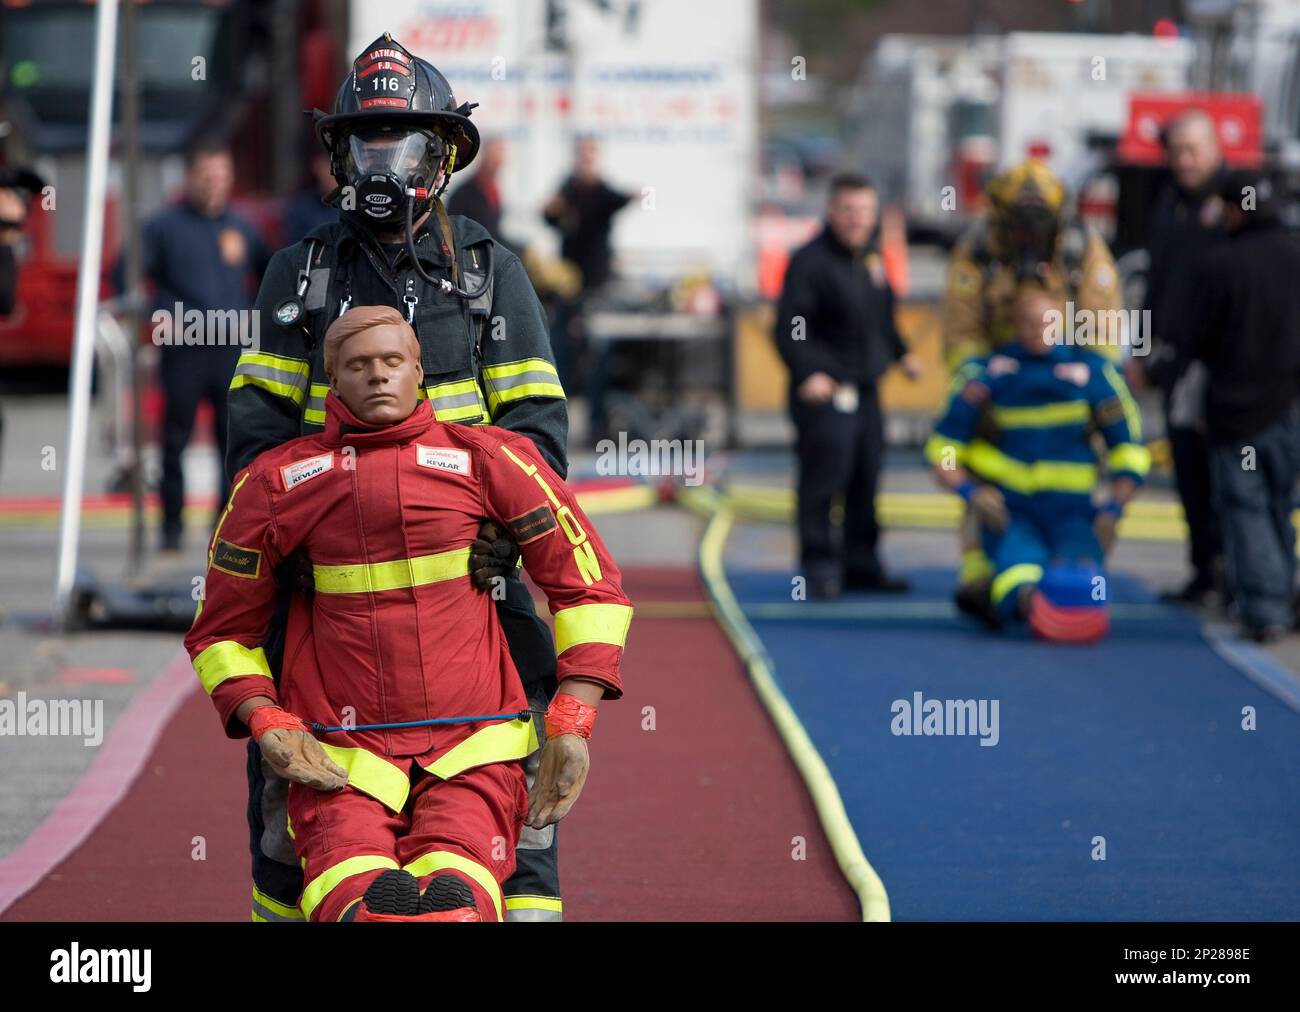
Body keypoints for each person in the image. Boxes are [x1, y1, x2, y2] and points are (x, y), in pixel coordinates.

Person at [227, 33, 570, 923]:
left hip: (473, 595)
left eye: (407, 143)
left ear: (444, 154)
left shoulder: (489, 275)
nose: (387, 163)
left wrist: (506, 539)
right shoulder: (297, 276)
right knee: (289, 804)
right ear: (341, 154)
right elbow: (255, 441)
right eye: (369, 143)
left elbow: (537, 431)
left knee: (513, 799)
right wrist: (279, 548)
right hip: (325, 597)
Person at [186, 306, 630, 921]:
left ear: (419, 370)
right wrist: (264, 720)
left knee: (460, 891)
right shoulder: (274, 484)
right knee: (351, 893)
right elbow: (221, 631)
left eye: (392, 362)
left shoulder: (494, 460)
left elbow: (590, 588)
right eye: (358, 366)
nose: (377, 377)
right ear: (331, 383)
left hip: (473, 746)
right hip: (336, 755)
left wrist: (574, 717)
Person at [941, 157, 1124, 613]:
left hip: (1064, 385)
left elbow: (1102, 329)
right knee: (986, 482)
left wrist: (1088, 387)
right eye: (1018, 224)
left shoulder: (1083, 251)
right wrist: (979, 382)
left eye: (1037, 223)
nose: (1027, 234)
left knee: (1076, 489)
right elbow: (961, 328)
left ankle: (1074, 584)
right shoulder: (978, 251)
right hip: (1000, 386)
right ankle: (982, 578)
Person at [927, 283, 1149, 641]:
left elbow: (1130, 451)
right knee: (1017, 581)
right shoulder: (988, 373)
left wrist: (1114, 509)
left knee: (1080, 586)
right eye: (1030, 324)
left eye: (1047, 322)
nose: (1039, 332)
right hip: (1012, 514)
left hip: (1074, 514)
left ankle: (1062, 605)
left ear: (1061, 319)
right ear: (1015, 324)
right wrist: (970, 491)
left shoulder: (1092, 372)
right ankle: (1026, 604)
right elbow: (945, 447)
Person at [773, 172, 921, 599]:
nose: (858, 220)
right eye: (849, 211)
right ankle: (818, 566)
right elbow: (790, 327)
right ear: (832, 212)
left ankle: (861, 563)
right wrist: (808, 372)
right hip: (825, 392)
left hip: (867, 390)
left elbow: (882, 319)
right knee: (824, 480)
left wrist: (902, 354)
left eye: (866, 212)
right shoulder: (809, 262)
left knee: (866, 477)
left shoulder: (871, 259)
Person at [122, 136, 272, 552]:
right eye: (206, 174)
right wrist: (156, 312)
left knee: (234, 442)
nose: (214, 182)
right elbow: (126, 273)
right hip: (184, 348)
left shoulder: (242, 226)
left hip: (231, 351)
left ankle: (225, 528)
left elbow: (272, 274)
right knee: (175, 440)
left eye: (221, 175)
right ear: (190, 177)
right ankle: (171, 528)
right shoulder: (163, 227)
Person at [1188, 170, 1300, 643]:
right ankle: (1282, 592)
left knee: (1246, 506)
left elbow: (1199, 336)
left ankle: (1267, 606)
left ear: (1236, 210)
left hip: (1238, 411)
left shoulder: (1222, 265)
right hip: (1290, 407)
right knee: (1278, 504)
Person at [1128, 110, 1229, 606]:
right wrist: (1142, 350)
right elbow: (1155, 285)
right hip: (1174, 360)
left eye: (1193, 150)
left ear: (1214, 149)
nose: (1185, 161)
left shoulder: (1235, 202)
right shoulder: (1169, 202)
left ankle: (1233, 570)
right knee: (1187, 469)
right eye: (1177, 152)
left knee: (1228, 473)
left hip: (1219, 364)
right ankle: (1202, 569)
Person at [543, 136, 634, 430]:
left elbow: (622, 200)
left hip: (598, 286)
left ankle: (596, 422)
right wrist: (552, 212)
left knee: (599, 354)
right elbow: (549, 216)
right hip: (569, 288)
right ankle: (558, 420)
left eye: (590, 155)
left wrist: (641, 194)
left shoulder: (602, 191)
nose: (586, 160)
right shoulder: (567, 188)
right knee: (562, 354)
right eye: (583, 154)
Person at [449, 136, 508, 247]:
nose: (496, 168)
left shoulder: (492, 190)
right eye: (493, 162)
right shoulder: (464, 193)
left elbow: (495, 233)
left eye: (499, 163)